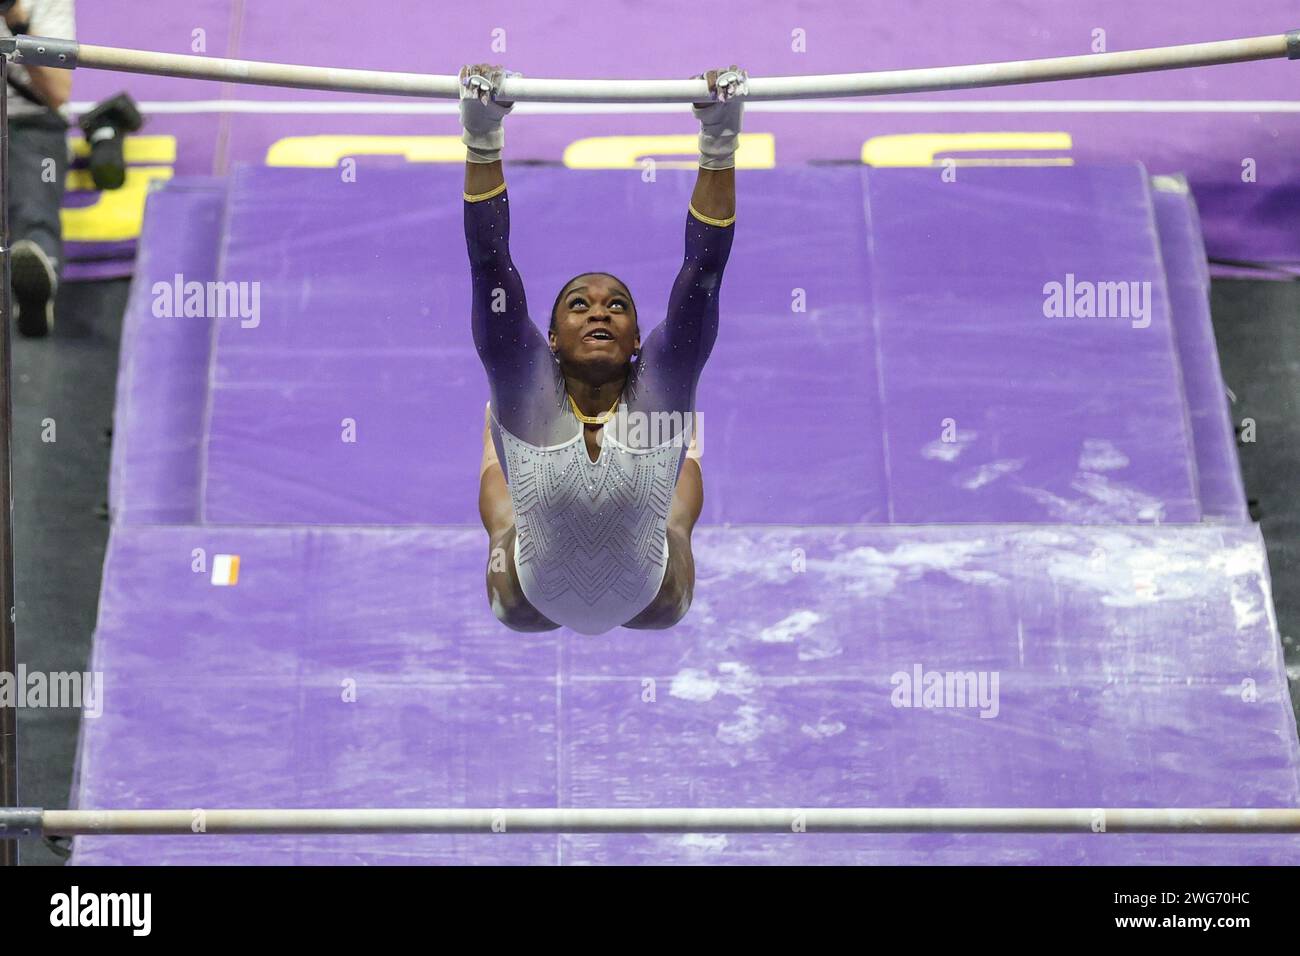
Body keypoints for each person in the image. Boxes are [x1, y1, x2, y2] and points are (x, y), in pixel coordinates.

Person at [463, 61, 743, 634]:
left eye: (617, 305)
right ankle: (506, 455)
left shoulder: (660, 379)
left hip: (652, 594)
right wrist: (481, 135)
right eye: (579, 305)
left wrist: (720, 141)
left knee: (672, 520)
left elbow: (703, 273)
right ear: (551, 339)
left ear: (638, 339)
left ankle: (671, 458)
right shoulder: (526, 376)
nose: (598, 310)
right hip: (529, 593)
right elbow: (490, 264)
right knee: (508, 536)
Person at [3, 0, 75, 337]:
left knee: (33, 203)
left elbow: (57, 91)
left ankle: (35, 280)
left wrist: (16, 20)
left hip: (30, 122)